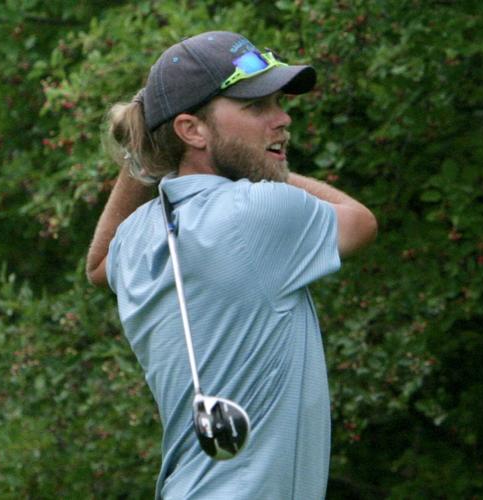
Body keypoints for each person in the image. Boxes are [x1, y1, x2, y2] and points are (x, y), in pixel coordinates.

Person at [85, 31, 377, 499]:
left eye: (279, 102)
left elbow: (98, 265)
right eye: (256, 106)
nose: (282, 119)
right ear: (192, 130)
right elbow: (360, 222)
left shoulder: (138, 233)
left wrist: (146, 152)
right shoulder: (256, 212)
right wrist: (272, 167)